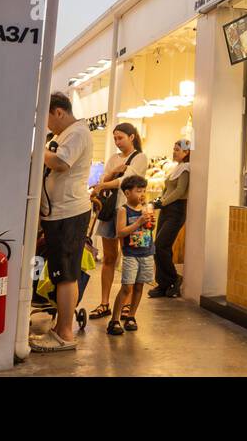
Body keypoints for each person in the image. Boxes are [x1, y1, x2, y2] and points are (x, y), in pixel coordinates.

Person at [32, 91, 93, 353]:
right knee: (61, 273)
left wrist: (38, 150)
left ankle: (65, 333)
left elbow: (61, 162)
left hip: (69, 212)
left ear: (59, 112)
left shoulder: (77, 132)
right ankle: (61, 328)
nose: (46, 124)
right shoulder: (62, 135)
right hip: (58, 213)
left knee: (66, 275)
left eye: (46, 117)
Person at [85, 123, 147, 319]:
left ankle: (127, 304)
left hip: (130, 212)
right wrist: (111, 174)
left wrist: (103, 183)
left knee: (129, 259)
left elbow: (126, 182)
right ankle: (104, 303)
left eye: (120, 138)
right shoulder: (113, 158)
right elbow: (107, 175)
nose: (117, 142)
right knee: (109, 258)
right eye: (115, 138)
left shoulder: (140, 158)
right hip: (109, 211)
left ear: (132, 137)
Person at [108, 176, 156, 335]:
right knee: (127, 287)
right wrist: (138, 222)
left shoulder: (145, 209)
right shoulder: (123, 210)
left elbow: (148, 230)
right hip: (131, 254)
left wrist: (151, 224)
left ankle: (131, 316)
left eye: (144, 190)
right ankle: (114, 320)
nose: (142, 194)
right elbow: (120, 232)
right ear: (127, 193)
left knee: (139, 286)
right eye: (138, 191)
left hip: (147, 252)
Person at [150, 139, 191, 298]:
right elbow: (167, 190)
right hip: (166, 210)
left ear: (186, 152)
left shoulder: (186, 169)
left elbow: (180, 191)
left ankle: (174, 278)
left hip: (176, 211)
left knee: (161, 245)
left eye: (177, 150)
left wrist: (162, 203)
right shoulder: (176, 168)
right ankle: (163, 284)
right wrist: (157, 202)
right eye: (173, 149)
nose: (174, 152)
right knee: (157, 247)